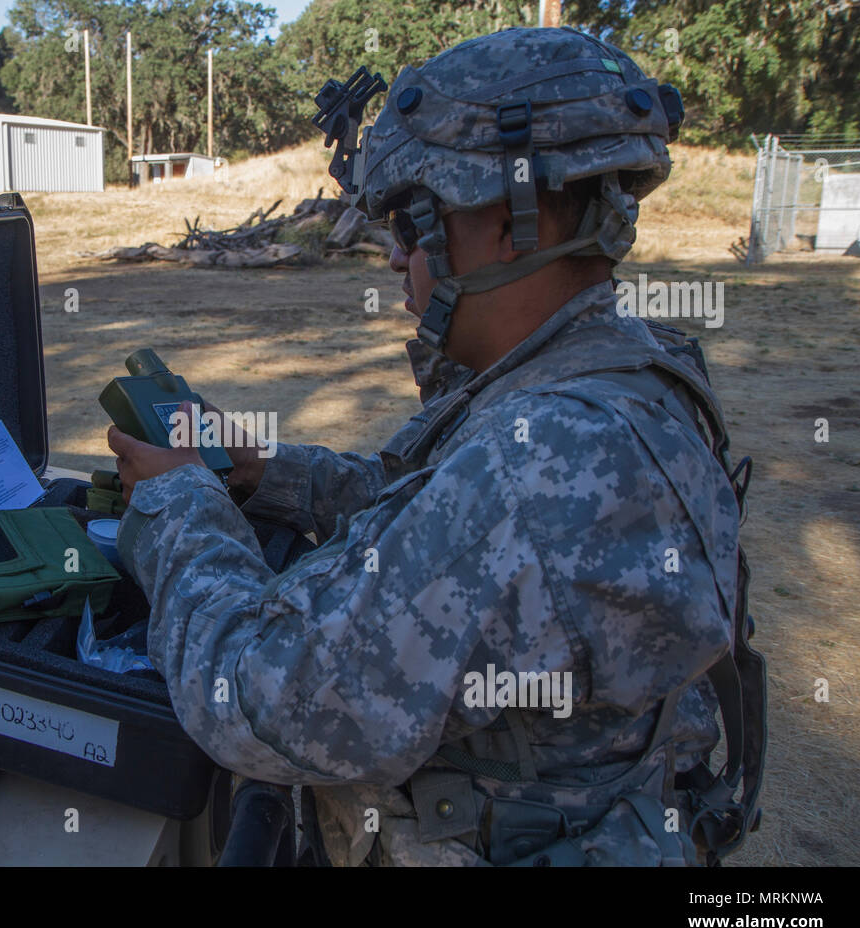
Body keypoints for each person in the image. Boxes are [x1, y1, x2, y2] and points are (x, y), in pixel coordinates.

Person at [106, 26, 761, 866]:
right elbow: (421, 503)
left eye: (416, 224)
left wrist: (179, 506)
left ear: (512, 225)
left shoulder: (543, 461)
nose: (396, 258)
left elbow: (270, 703)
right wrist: (262, 469)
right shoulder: (603, 373)